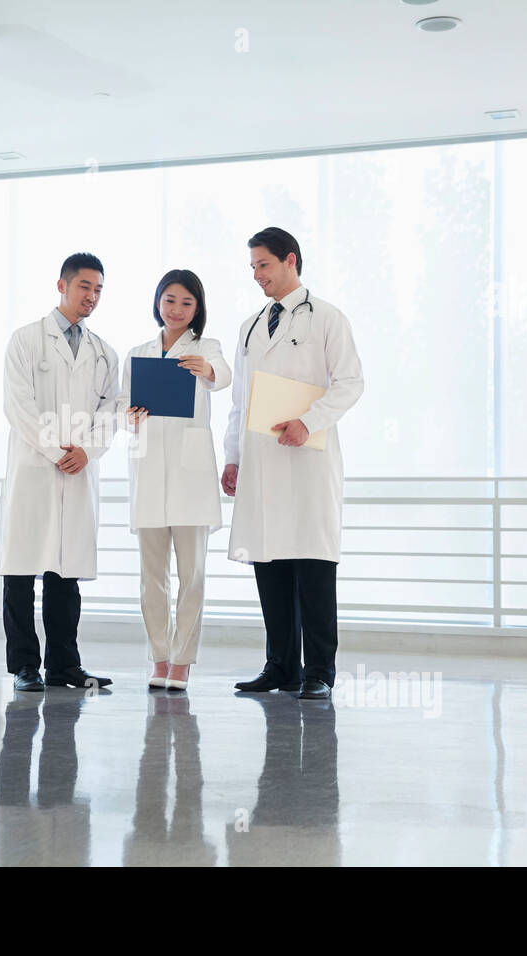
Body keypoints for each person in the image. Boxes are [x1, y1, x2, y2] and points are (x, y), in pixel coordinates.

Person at [222, 227, 364, 700]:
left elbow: (350, 383)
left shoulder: (326, 318)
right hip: (262, 461)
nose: (257, 275)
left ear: (290, 261)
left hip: (308, 458)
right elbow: (240, 401)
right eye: (252, 268)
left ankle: (319, 671)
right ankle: (280, 666)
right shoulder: (249, 325)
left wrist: (309, 420)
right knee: (271, 564)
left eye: (263, 265)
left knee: (313, 565)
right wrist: (234, 457)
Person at [0, 253, 120, 692]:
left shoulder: (104, 352)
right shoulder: (27, 340)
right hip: (35, 469)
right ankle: (25, 667)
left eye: (99, 289)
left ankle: (65, 666)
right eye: (85, 287)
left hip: (78, 472)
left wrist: (88, 450)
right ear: (62, 286)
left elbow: (112, 409)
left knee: (65, 577)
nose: (92, 296)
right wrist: (56, 450)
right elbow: (18, 406)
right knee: (21, 571)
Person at [118, 269, 231, 691]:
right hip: (149, 473)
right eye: (170, 300)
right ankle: (160, 657)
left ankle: (183, 661)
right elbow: (123, 406)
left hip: (190, 476)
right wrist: (128, 417)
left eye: (186, 302)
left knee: (192, 574)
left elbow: (224, 377)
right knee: (151, 576)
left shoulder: (207, 348)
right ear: (157, 302)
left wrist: (206, 369)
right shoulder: (138, 352)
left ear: (197, 308)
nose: (177, 309)